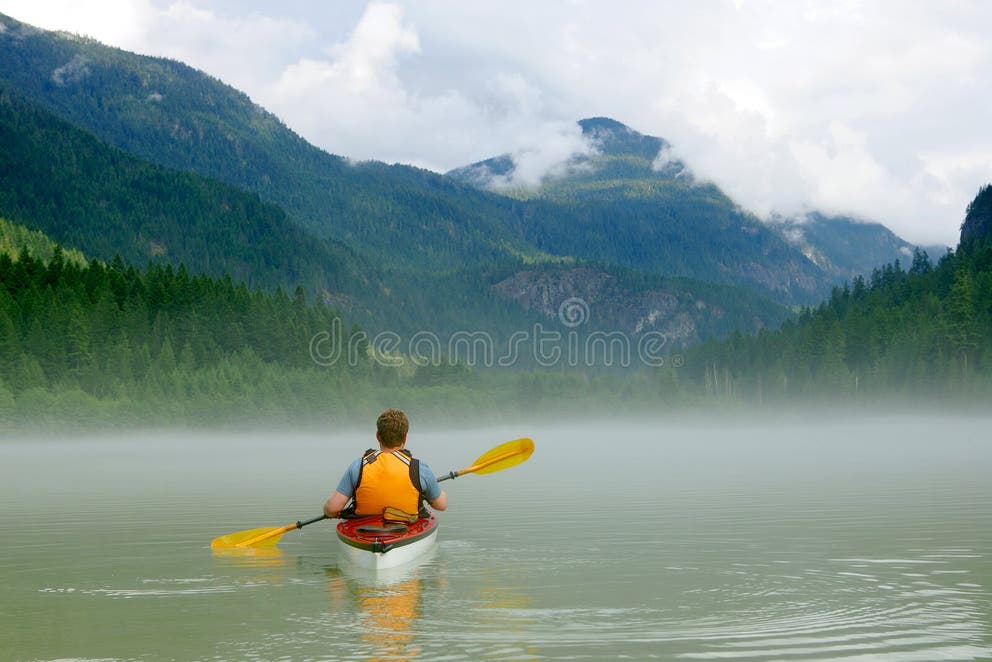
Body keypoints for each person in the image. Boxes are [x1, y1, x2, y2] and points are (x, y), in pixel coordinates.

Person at [324, 408, 448, 519]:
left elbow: (332, 509)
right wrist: (431, 492)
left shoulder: (358, 466)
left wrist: (329, 512)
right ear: (405, 437)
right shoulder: (419, 468)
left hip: (364, 531)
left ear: (378, 436)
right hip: (405, 530)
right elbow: (441, 505)